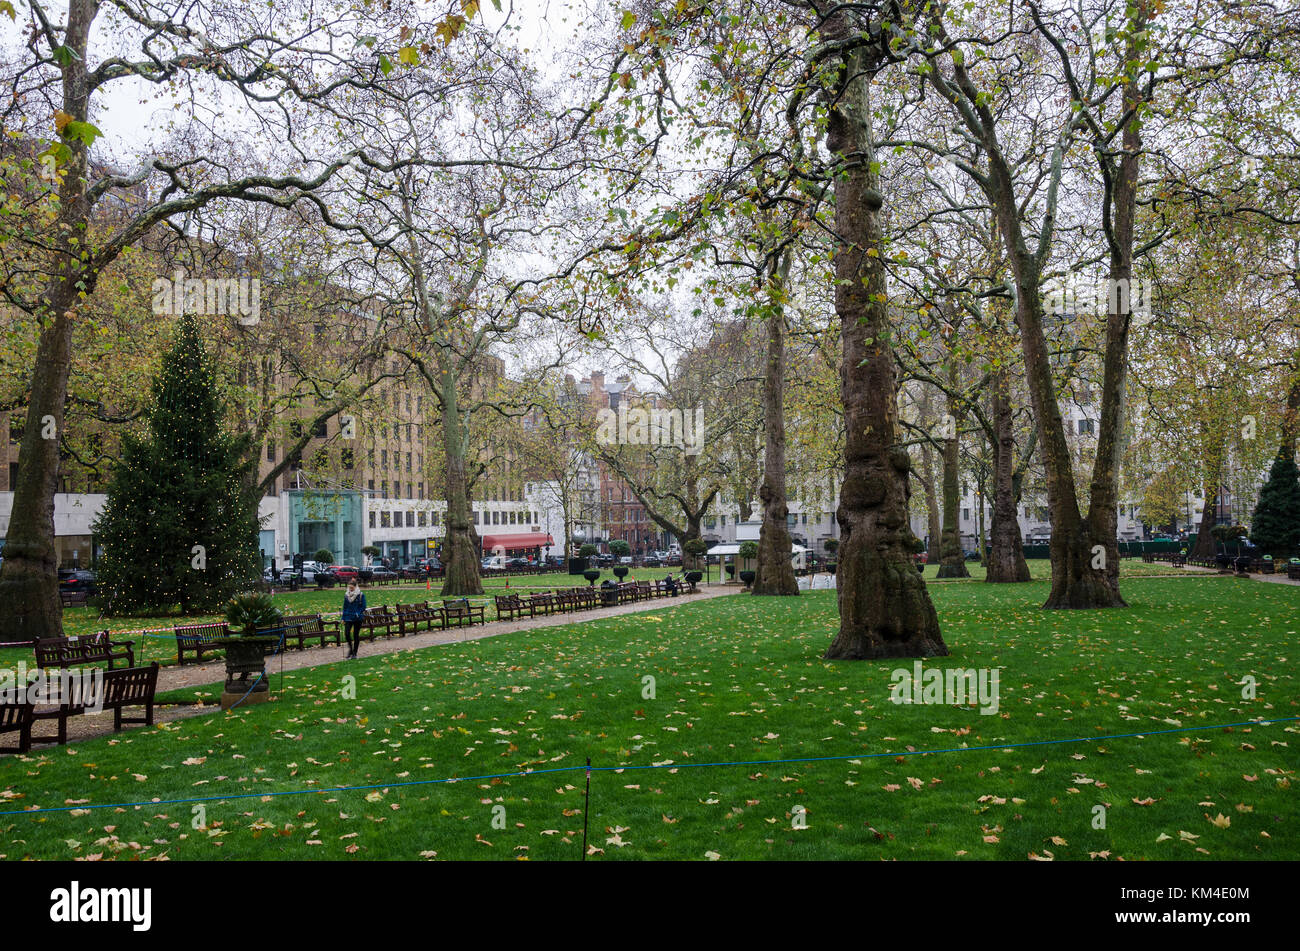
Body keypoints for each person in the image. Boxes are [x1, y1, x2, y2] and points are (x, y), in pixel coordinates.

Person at [341, 580, 366, 659]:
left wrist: (358, 612)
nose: (350, 589)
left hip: (357, 618)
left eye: (352, 588)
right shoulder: (346, 595)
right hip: (348, 617)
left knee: (355, 635)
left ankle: (355, 653)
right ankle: (350, 650)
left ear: (355, 587)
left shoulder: (360, 595)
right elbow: (345, 607)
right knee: (347, 634)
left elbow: (363, 606)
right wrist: (343, 618)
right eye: (349, 588)